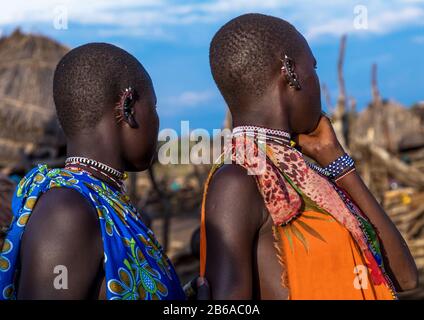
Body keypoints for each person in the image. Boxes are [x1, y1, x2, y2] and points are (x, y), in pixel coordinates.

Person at [200, 13, 418, 300]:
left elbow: (404, 278)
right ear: (290, 71)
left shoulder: (303, 174)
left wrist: (339, 164)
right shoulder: (238, 180)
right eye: (313, 67)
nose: (317, 80)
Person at [0, 43, 199, 300]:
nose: (158, 121)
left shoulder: (101, 201)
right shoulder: (67, 212)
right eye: (155, 107)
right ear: (128, 108)